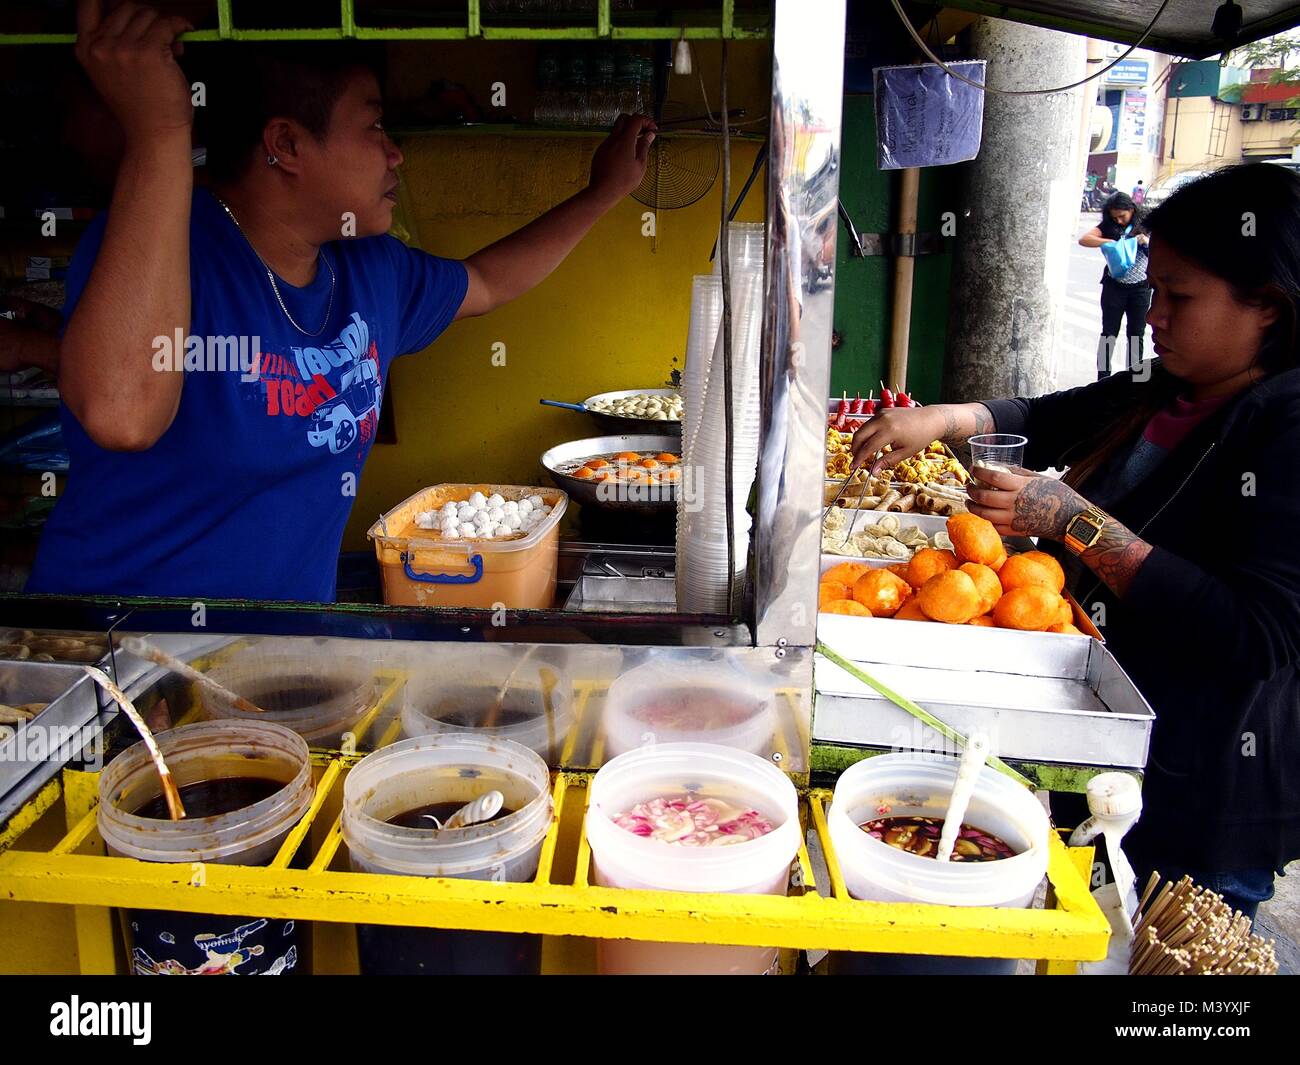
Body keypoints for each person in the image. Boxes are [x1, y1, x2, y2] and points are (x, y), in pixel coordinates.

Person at [28, 2, 655, 601]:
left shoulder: (367, 264)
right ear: (288, 144)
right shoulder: (166, 244)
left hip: (275, 659)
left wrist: (602, 194)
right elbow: (119, 415)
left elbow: (486, 282)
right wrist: (160, 130)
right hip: (117, 655)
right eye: (375, 125)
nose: (395, 152)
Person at [853, 164, 1300, 921]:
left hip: (1200, 788)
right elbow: (1043, 412)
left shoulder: (1283, 426)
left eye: (1178, 296)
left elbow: (1257, 632)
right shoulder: (1171, 387)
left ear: (1267, 306)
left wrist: (1072, 521)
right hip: (1104, 738)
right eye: (1153, 289)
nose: (1152, 313)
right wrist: (939, 418)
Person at [1079, 192, 1150, 381]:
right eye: (1114, 217)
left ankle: (1137, 378)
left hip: (1140, 288)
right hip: (1114, 287)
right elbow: (1084, 239)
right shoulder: (1109, 227)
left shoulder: (1145, 224)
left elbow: (1160, 252)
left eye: (1122, 216)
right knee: (1108, 333)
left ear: (1132, 210)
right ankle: (1103, 378)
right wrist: (1110, 242)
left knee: (1136, 334)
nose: (1118, 220)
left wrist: (1145, 242)